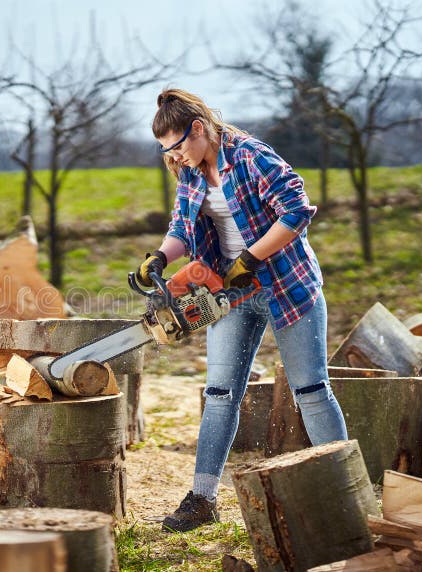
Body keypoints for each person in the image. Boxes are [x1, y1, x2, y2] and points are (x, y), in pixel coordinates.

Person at [136, 88, 348, 533]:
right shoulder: (189, 169)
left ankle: (344, 490)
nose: (174, 157)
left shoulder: (251, 157)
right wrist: (160, 256)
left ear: (198, 130)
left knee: (310, 390)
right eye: (165, 151)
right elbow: (181, 224)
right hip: (229, 293)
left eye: (176, 146)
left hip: (286, 285)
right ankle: (202, 497)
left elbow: (296, 210)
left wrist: (251, 257)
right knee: (219, 396)